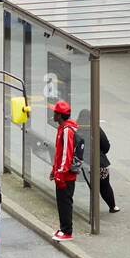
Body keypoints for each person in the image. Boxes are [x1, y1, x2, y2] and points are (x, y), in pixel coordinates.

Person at [76, 109, 118, 213]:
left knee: (89, 184)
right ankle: (113, 207)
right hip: (100, 165)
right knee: (105, 185)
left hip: (82, 166)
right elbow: (106, 146)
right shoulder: (96, 128)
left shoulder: (76, 130)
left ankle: (89, 209)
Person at [50, 100, 79, 241]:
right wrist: (54, 169)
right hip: (62, 173)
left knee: (65, 202)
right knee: (62, 202)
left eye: (54, 112)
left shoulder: (67, 130)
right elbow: (59, 153)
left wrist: (60, 172)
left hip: (65, 176)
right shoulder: (63, 128)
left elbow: (66, 154)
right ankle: (63, 229)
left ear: (59, 115)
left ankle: (67, 231)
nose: (53, 114)